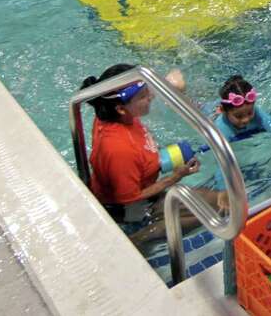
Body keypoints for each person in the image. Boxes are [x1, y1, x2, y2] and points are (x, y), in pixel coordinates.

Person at [80, 64, 223, 246]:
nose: (152, 96)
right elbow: (130, 199)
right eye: (144, 96)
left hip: (132, 181)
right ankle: (141, 239)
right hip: (128, 209)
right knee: (218, 207)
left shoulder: (111, 113)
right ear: (121, 109)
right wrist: (176, 177)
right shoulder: (118, 150)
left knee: (221, 201)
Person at [214, 75, 271, 176]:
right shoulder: (221, 128)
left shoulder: (258, 115)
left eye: (249, 113)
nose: (246, 119)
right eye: (238, 116)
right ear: (223, 111)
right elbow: (221, 161)